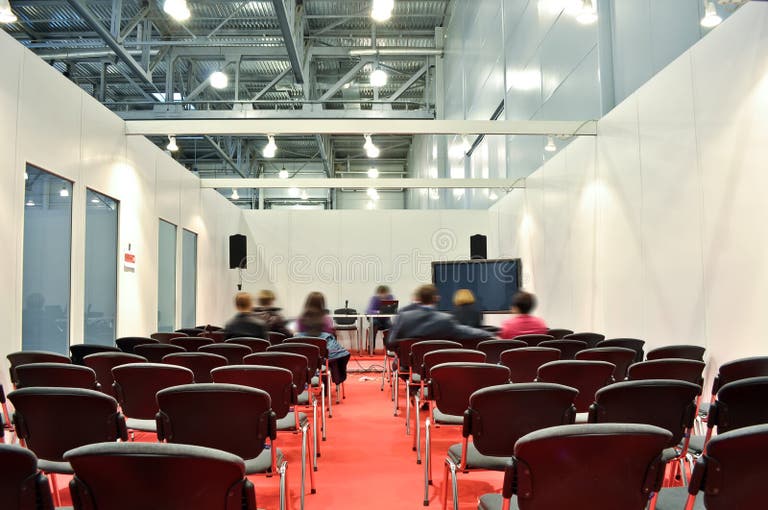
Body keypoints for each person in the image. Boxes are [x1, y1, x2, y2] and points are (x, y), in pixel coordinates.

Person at [387, 284, 492, 348]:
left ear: (418, 298)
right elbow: (466, 331)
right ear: (436, 298)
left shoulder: (403, 317)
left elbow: (391, 343)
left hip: (410, 365)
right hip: (438, 366)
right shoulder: (445, 320)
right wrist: (489, 334)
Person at [296, 292, 351, 384]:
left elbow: (299, 334)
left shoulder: (301, 319)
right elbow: (330, 335)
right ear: (322, 304)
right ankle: (327, 379)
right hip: (323, 358)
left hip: (305, 359)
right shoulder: (326, 320)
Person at [366, 285, 395, 350]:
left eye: (385, 293)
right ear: (378, 293)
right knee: (374, 325)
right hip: (376, 319)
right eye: (381, 293)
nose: (383, 295)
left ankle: (389, 347)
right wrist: (378, 312)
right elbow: (368, 310)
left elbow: (393, 309)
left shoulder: (390, 297)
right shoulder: (374, 299)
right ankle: (371, 347)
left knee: (391, 327)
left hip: (385, 319)